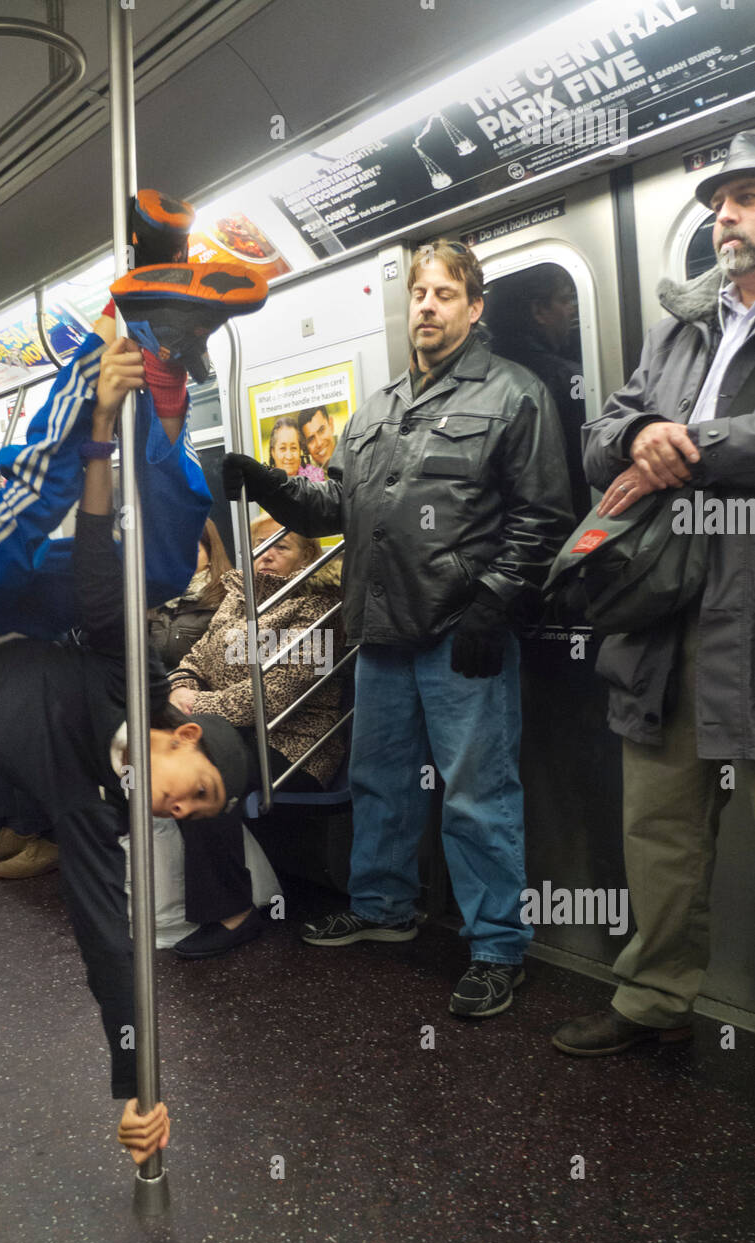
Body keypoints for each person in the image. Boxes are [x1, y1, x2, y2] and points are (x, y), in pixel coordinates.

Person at [0, 222, 268, 1162]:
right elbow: (103, 576)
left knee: (75, 525)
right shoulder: (128, 684)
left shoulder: (96, 815)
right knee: (151, 551)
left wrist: (132, 1093)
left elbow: (112, 947)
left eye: (189, 812)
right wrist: (102, 437)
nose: (175, 807)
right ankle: (150, 348)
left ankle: (141, 336)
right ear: (182, 733)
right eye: (196, 789)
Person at [225, 238, 573, 1018]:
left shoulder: (513, 395)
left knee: (477, 796)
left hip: (462, 633)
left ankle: (495, 947)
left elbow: (544, 516)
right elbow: (331, 510)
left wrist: (493, 603)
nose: (426, 306)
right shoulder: (378, 409)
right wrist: (267, 482)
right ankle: (382, 907)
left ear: (473, 308)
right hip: (379, 632)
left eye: (445, 294)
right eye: (418, 293)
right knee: (380, 783)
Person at [551, 131, 755, 1056]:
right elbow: (605, 427)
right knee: (661, 828)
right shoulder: (679, 325)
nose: (725, 217)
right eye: (719, 202)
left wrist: (695, 446)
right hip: (670, 617)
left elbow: (709, 444)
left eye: (747, 198)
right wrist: (638, 440)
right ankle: (652, 1000)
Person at [165, 514, 345, 958]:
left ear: (307, 555)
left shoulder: (319, 607)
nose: (267, 553)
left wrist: (191, 706)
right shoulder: (237, 596)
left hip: (294, 742)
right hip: (227, 729)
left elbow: (270, 697)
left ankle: (232, 914)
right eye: (261, 544)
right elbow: (196, 658)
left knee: (202, 771)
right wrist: (180, 686)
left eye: (281, 546)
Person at [484, 264, 590, 520]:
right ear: (539, 311)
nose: (572, 309)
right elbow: (582, 467)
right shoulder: (569, 378)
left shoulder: (479, 376)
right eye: (564, 300)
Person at [147, 518, 230, 670]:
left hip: (197, 691)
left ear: (210, 554)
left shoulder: (226, 599)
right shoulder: (154, 598)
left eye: (189, 549)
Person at [267, 416, 323, 482]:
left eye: (293, 448)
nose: (289, 456)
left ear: (300, 450)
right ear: (273, 452)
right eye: (283, 448)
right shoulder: (267, 483)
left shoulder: (316, 477)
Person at [298, 405, 338, 476]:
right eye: (311, 439)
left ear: (331, 425)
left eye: (321, 430)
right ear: (305, 445)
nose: (319, 443)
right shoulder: (307, 478)